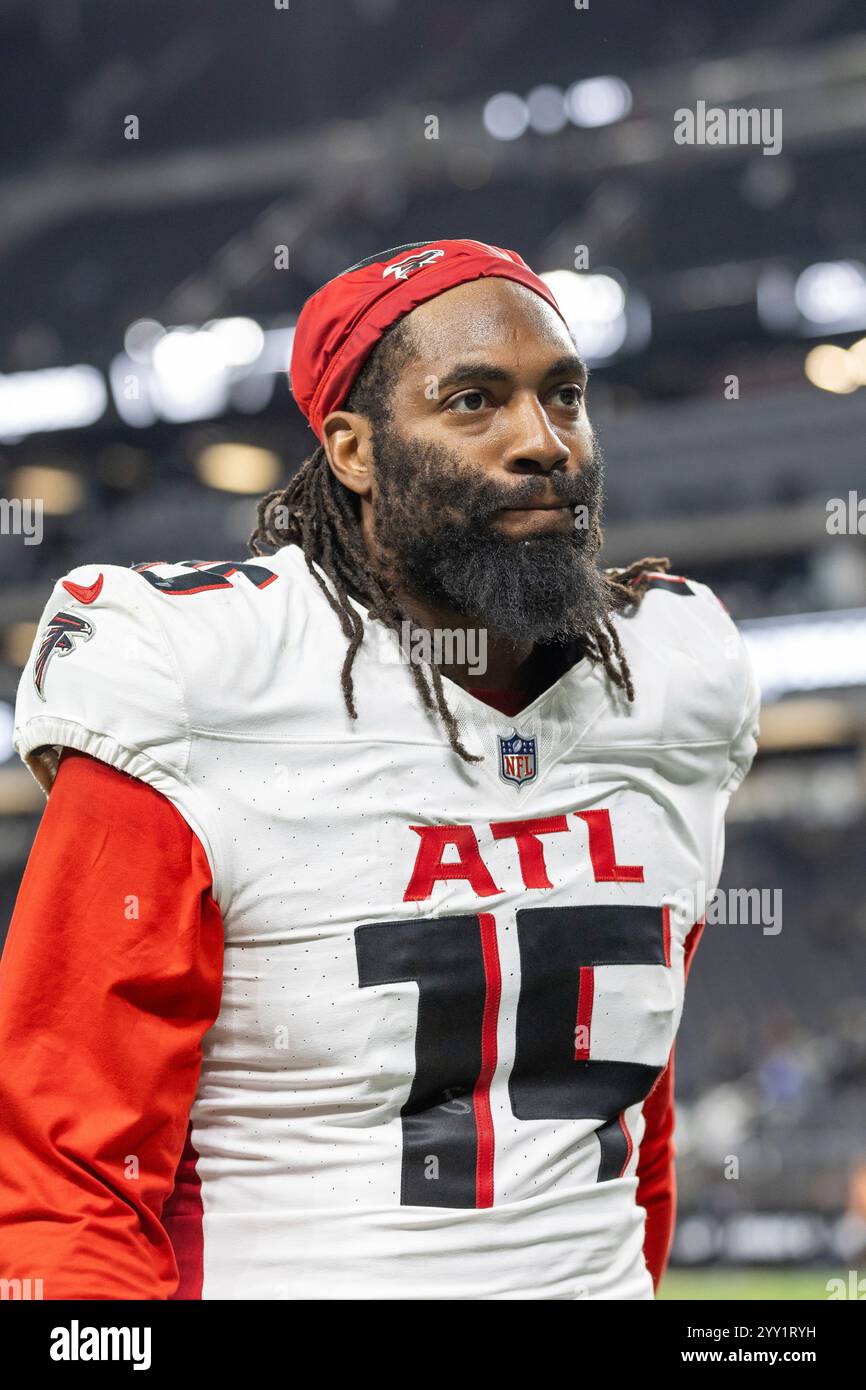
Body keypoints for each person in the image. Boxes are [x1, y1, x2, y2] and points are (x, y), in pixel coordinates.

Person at [0, 238, 759, 1300]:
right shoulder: (202, 679)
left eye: (565, 396)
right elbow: (65, 1172)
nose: (541, 442)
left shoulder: (670, 679)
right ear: (352, 450)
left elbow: (635, 1117)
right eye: (471, 401)